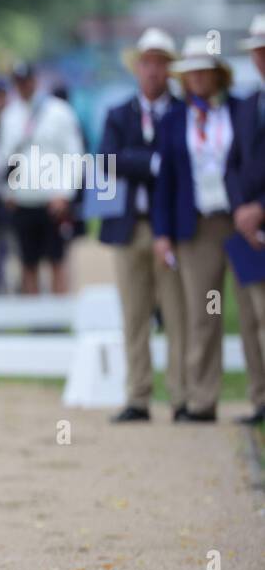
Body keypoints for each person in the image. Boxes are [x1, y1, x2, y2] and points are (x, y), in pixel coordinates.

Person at [98, 28, 188, 423]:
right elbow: (108, 160)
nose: (153, 71)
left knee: (176, 313)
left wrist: (137, 161)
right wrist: (152, 163)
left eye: (160, 63)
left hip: (169, 229)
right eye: (147, 63)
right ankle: (138, 395)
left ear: (169, 69)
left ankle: (183, 395)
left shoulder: (183, 113)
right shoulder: (119, 114)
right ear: (138, 68)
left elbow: (181, 166)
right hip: (130, 225)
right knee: (133, 314)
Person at [152, 35, 241, 422]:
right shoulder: (174, 121)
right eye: (191, 73)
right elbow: (165, 181)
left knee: (256, 312)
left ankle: (259, 395)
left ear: (218, 75)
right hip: (197, 227)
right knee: (205, 311)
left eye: (204, 71)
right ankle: (201, 398)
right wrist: (162, 231)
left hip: (237, 222)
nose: (198, 79)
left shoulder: (240, 112)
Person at [0, 62, 83, 294]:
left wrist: (65, 194)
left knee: (57, 261)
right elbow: (8, 158)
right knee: (28, 263)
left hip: (52, 198)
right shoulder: (10, 115)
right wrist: (9, 191)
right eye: (19, 82)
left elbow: (74, 155)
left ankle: (58, 321)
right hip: (24, 200)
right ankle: (36, 323)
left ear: (35, 81)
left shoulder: (59, 112)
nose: (24, 86)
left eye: (26, 81)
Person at [227, 13, 265, 425]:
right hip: (248, 225)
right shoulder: (248, 105)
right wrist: (242, 209)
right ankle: (260, 398)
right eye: (258, 52)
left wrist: (260, 208)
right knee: (252, 318)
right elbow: (232, 164)